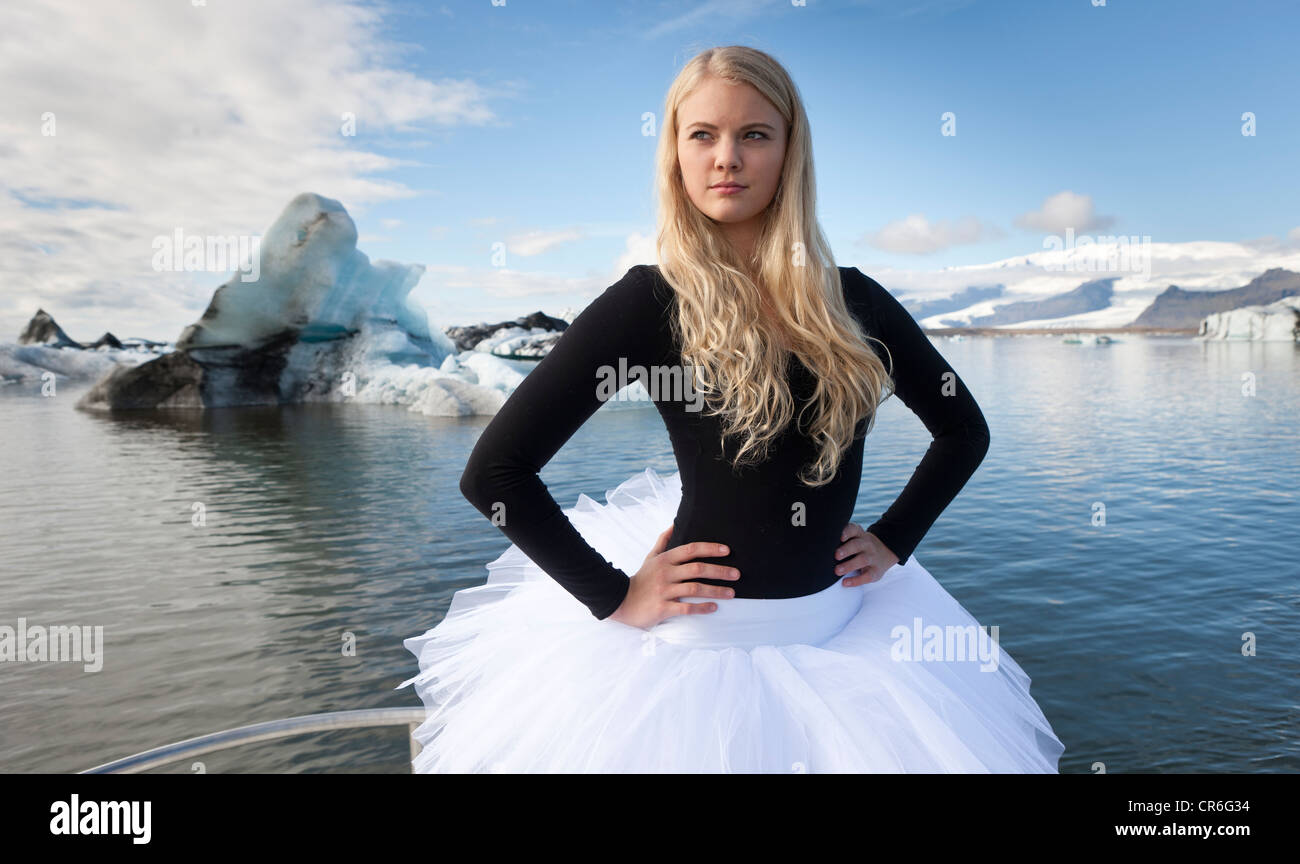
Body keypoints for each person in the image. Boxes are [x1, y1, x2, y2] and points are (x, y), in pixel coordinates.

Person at [396, 45, 1066, 773]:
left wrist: (896, 538)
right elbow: (494, 473)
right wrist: (614, 596)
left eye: (754, 134)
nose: (727, 159)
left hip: (850, 649)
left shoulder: (854, 299)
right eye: (703, 135)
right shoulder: (649, 303)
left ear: (790, 152)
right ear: (676, 154)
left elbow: (963, 431)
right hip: (693, 670)